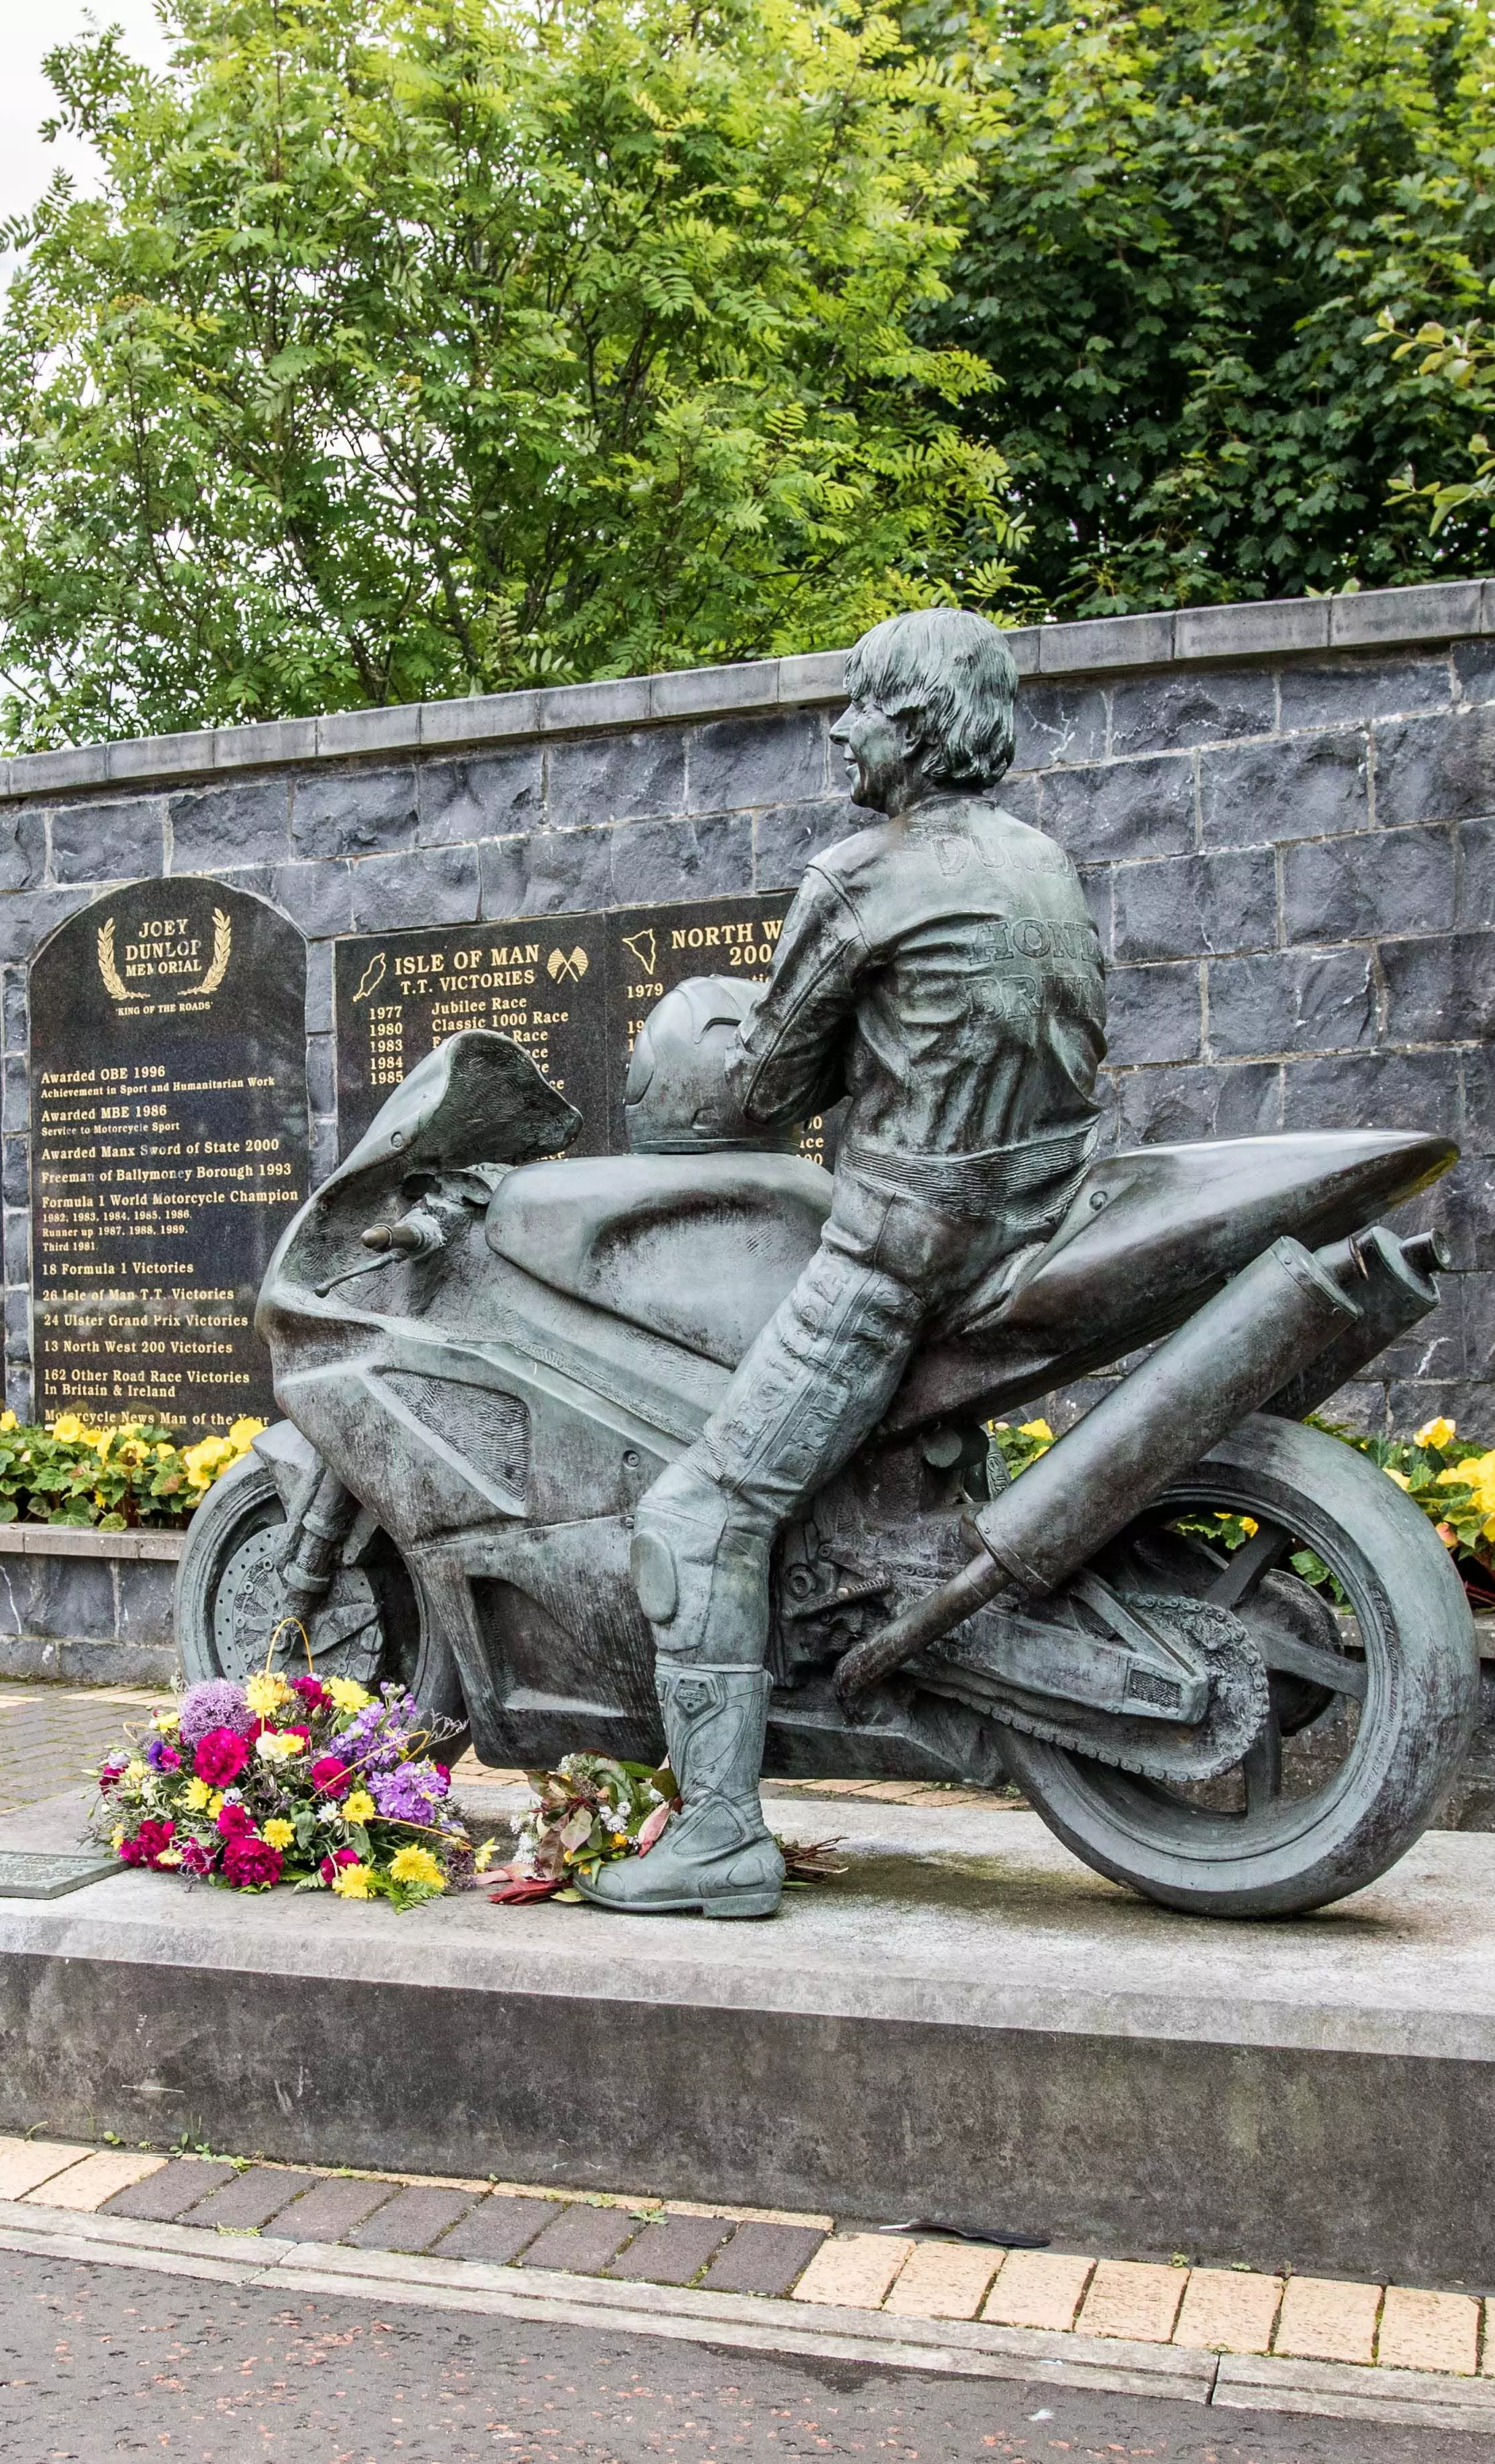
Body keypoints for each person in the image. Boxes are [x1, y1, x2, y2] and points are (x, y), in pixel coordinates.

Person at [584, 607, 1111, 1918]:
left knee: (697, 1515)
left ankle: (716, 1836)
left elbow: (763, 1084)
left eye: (862, 705)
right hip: (1036, 1221)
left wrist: (717, 1046)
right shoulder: (1043, 862)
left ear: (918, 726)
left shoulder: (860, 878)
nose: (840, 729)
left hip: (899, 1256)